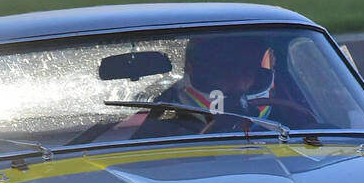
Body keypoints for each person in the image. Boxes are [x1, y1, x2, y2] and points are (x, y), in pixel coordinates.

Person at [134, 34, 316, 138]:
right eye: (224, 73)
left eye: (248, 72)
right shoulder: (159, 132)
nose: (240, 83)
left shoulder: (295, 124)